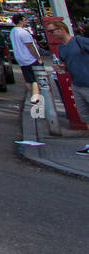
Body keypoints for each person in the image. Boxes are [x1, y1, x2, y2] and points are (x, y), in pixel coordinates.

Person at [47, 20, 89, 154]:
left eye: (52, 31)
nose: (51, 34)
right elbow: (66, 64)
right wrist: (61, 67)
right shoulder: (62, 48)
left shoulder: (80, 41)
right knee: (86, 116)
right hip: (76, 84)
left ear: (61, 29)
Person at [10, 14, 42, 107]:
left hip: (20, 58)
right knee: (35, 79)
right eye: (24, 20)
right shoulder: (23, 32)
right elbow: (30, 46)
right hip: (29, 58)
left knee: (28, 79)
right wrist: (38, 58)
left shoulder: (13, 31)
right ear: (20, 21)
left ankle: (32, 96)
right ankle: (36, 99)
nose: (26, 21)